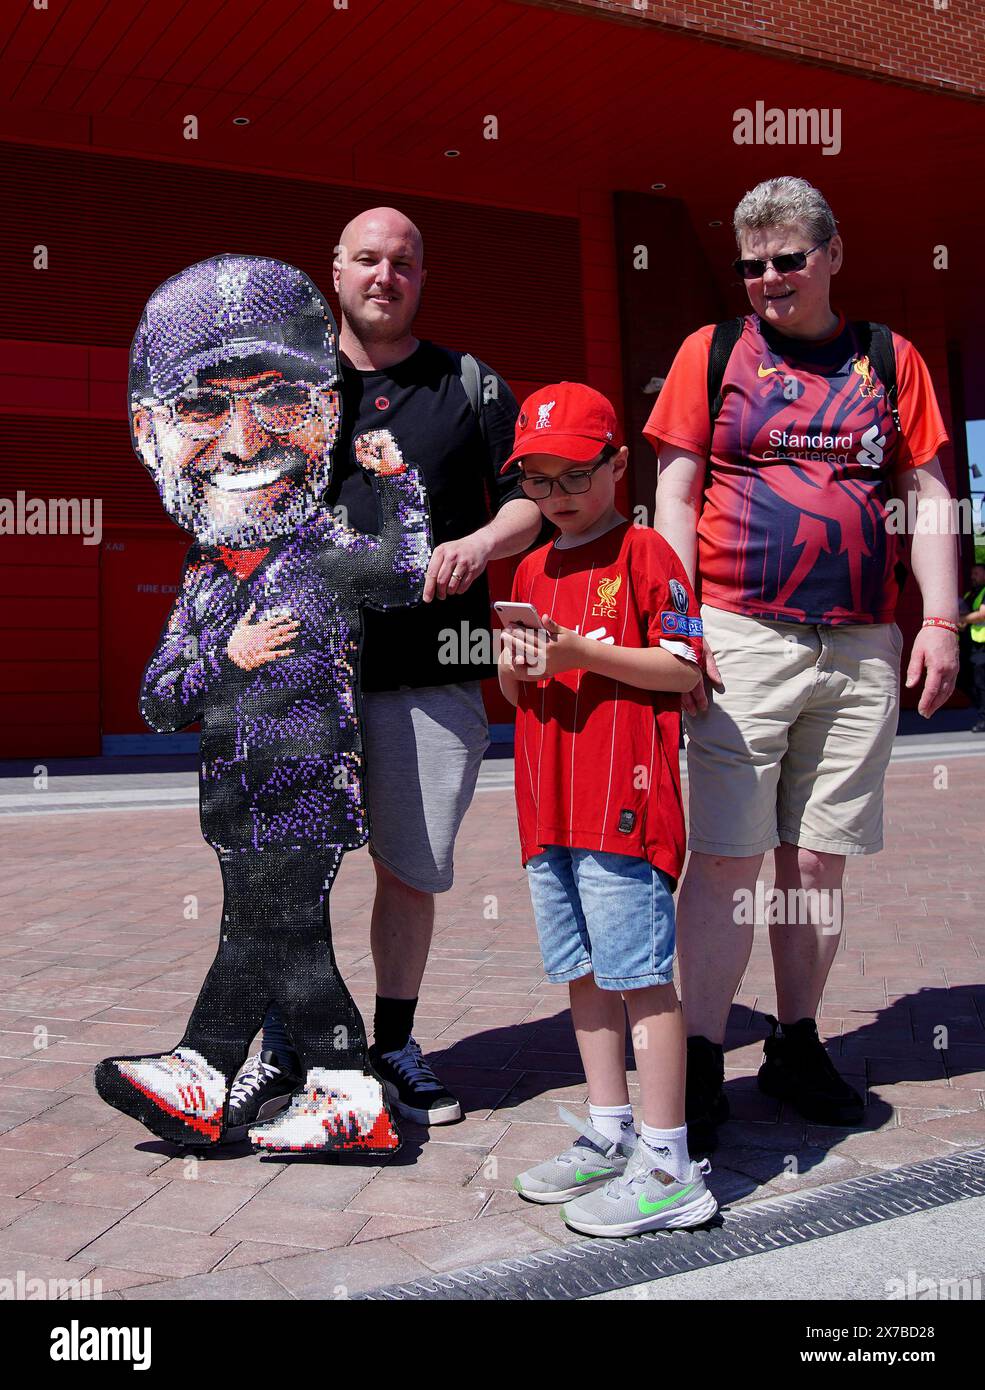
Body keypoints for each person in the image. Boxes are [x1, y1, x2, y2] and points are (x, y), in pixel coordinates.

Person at [647, 176, 960, 1152]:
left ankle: (793, 1040)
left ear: (831, 254)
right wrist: (677, 627)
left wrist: (941, 619)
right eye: (751, 264)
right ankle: (699, 1060)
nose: (769, 278)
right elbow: (672, 493)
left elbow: (927, 488)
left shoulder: (888, 358)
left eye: (787, 257)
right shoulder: (710, 355)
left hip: (861, 642)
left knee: (815, 858)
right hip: (740, 637)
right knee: (729, 857)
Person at [96, 254, 431, 1154]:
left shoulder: (325, 551)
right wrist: (222, 658)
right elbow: (159, 699)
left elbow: (404, 573)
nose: (244, 442)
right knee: (268, 934)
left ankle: (306, 1083)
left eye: (277, 398)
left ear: (326, 414)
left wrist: (399, 486)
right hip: (233, 801)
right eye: (203, 407)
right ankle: (234, 1081)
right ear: (147, 432)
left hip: (308, 792)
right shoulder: (201, 585)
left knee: (278, 930)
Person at [228, 208, 543, 1134]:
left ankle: (395, 1043)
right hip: (305, 670)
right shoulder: (284, 381)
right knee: (297, 866)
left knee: (411, 869)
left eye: (401, 263)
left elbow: (528, 498)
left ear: (420, 276)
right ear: (335, 269)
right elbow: (235, 509)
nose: (383, 276)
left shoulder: (469, 386)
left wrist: (483, 540)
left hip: (437, 666)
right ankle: (290, 1047)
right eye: (366, 260)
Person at [497, 382, 718, 1237]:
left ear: (618, 465)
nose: (555, 496)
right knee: (582, 973)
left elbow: (683, 670)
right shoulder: (526, 567)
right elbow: (519, 691)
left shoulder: (647, 553)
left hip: (621, 807)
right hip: (547, 806)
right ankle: (608, 1130)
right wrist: (518, 663)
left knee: (638, 979)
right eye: (537, 481)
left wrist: (582, 649)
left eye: (573, 475)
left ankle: (668, 1165)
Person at [959, 562, 985, 731]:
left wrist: (963, 619)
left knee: (981, 683)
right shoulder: (970, 593)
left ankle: (983, 719)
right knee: (963, 680)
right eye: (972, 573)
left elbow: (983, 614)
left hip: (981, 645)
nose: (972, 576)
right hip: (969, 645)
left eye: (977, 573)